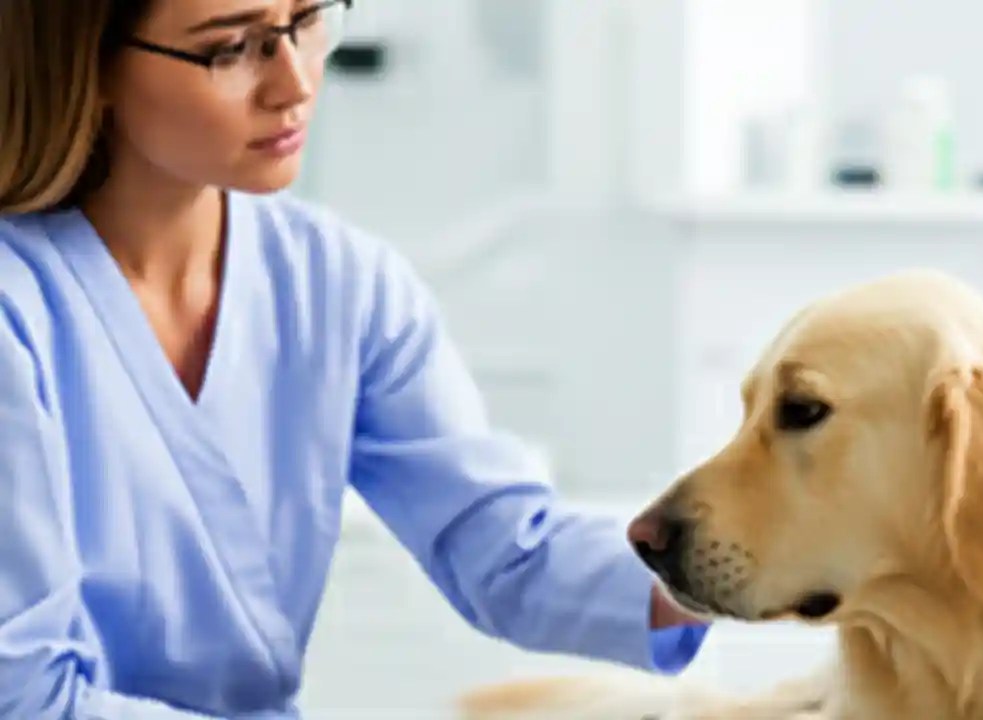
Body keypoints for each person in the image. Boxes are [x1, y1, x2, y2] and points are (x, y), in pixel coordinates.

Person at [0, 1, 710, 717]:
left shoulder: (338, 280)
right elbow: (21, 697)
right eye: (233, 49)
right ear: (89, 65)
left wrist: (743, 562)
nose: (296, 84)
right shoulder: (14, 311)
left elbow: (503, 547)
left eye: (307, 20)